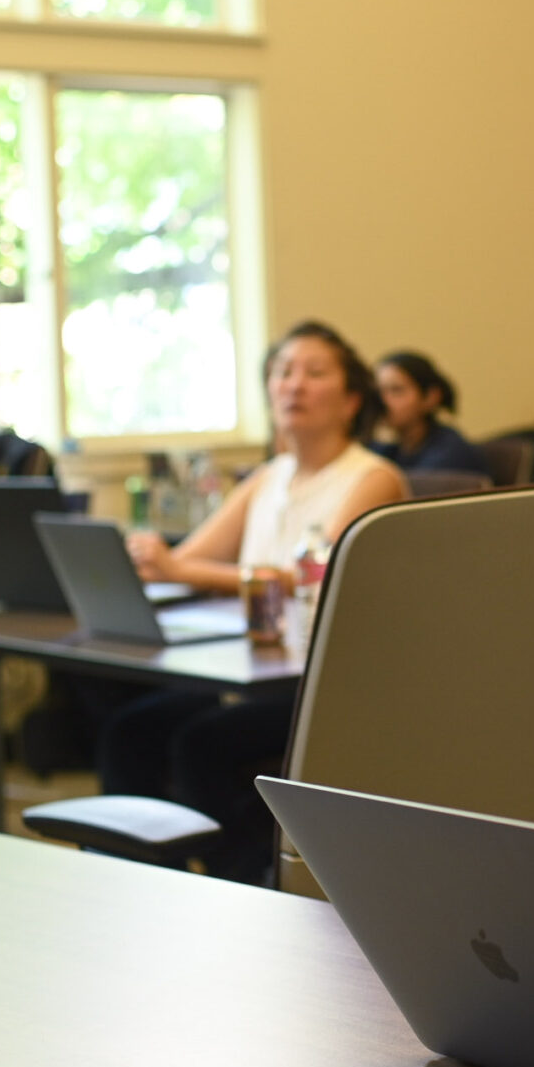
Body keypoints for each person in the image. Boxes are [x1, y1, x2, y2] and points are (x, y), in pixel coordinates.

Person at [97, 321, 407, 880]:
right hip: (252, 670)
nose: (294, 385)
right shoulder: (269, 476)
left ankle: (245, 886)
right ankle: (137, 883)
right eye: (283, 372)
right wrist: (144, 563)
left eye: (315, 373)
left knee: (201, 744)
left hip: (322, 685)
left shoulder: (372, 478)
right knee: (130, 730)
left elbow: (310, 575)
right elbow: (191, 559)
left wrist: (179, 567)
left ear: (352, 398)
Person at [370, 351, 493, 478]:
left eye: (396, 390)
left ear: (431, 397)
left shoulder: (449, 455)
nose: (382, 402)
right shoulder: (391, 450)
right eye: (378, 392)